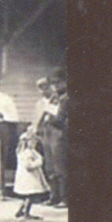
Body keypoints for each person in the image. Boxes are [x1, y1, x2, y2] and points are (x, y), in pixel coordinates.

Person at [39, 72, 68, 207]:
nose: (55, 87)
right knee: (50, 167)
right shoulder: (54, 98)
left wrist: (48, 113)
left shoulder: (66, 98)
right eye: (53, 84)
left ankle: (65, 198)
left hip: (59, 134)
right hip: (48, 134)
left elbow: (59, 119)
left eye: (58, 83)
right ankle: (53, 196)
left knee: (60, 168)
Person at [12, 125, 51, 218]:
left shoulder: (24, 151)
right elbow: (28, 166)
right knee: (31, 196)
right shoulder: (27, 153)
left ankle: (20, 210)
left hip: (26, 177)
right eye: (33, 141)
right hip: (30, 178)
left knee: (26, 196)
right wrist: (39, 162)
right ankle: (26, 213)